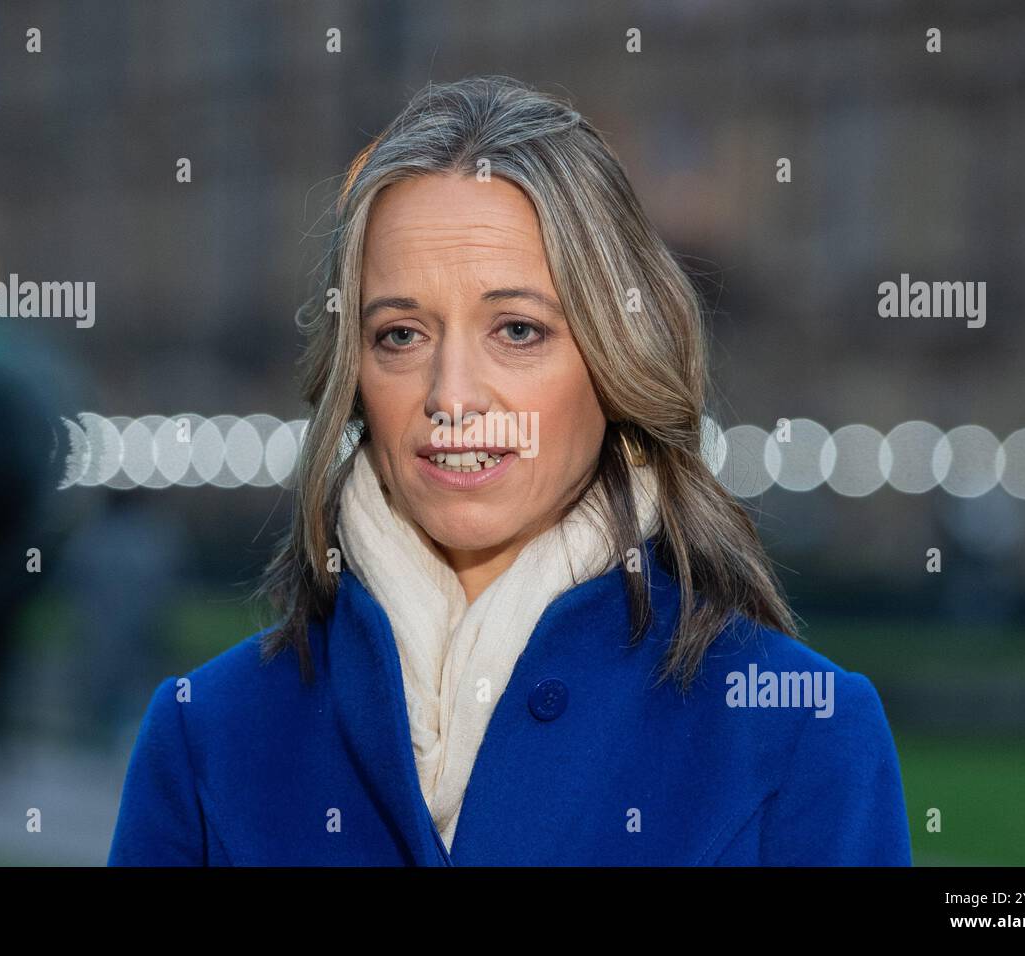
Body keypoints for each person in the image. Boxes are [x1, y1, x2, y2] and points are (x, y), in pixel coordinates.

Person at [108, 74, 912, 866]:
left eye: (518, 330)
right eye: (400, 335)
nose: (451, 397)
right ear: (352, 379)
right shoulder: (207, 736)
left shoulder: (802, 732)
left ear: (615, 357)